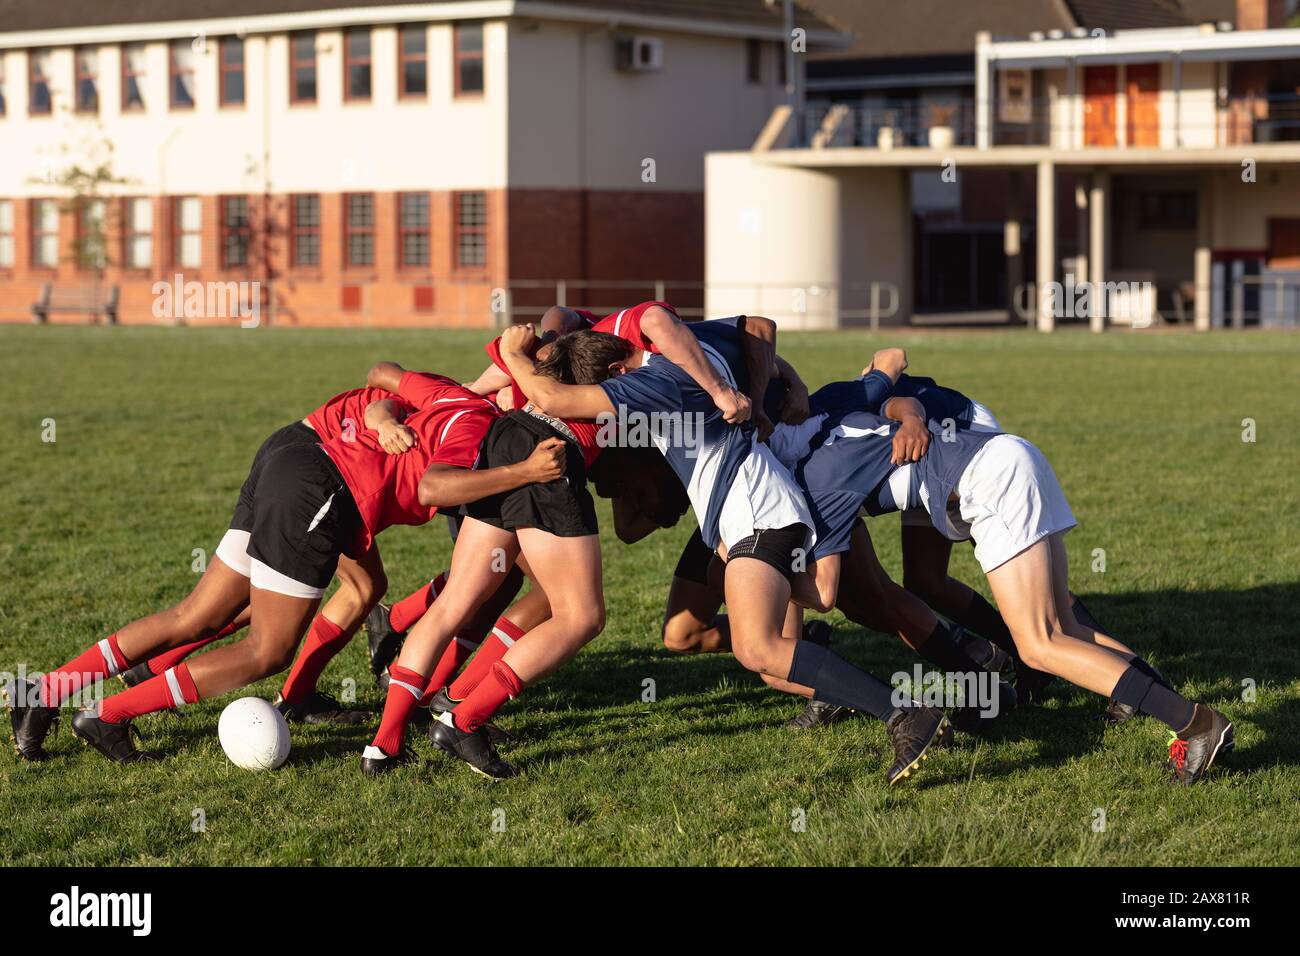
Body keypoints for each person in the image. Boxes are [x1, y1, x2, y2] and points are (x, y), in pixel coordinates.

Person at [9, 374, 564, 764]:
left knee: (207, 613)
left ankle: (50, 689)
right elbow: (430, 483)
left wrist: (378, 411)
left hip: (298, 461)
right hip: (321, 491)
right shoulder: (478, 428)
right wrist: (523, 471)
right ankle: (108, 714)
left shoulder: (447, 392)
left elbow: (384, 375)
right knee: (265, 648)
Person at [497, 322, 952, 786]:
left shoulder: (659, 384)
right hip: (756, 517)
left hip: (759, 518)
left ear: (617, 370)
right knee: (782, 632)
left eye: (601, 393)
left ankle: (907, 714)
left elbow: (554, 400)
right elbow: (761, 348)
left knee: (758, 647)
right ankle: (899, 703)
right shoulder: (689, 362)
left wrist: (513, 355)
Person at [771, 365, 1234, 786]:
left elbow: (826, 590)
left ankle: (1197, 724)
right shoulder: (829, 415)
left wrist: (768, 570)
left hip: (986, 480)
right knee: (1063, 629)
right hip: (1007, 455)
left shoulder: (810, 476)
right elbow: (889, 384)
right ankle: (1182, 716)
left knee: (1039, 643)